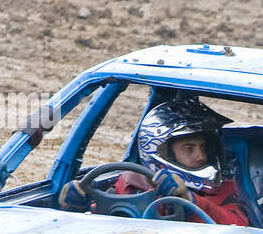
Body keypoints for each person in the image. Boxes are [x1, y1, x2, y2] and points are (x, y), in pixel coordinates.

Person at [59, 95, 253, 225]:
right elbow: (103, 227)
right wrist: (75, 208)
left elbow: (238, 228)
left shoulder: (222, 190)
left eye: (203, 148)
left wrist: (190, 202)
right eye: (189, 148)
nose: (200, 156)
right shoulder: (129, 183)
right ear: (163, 152)